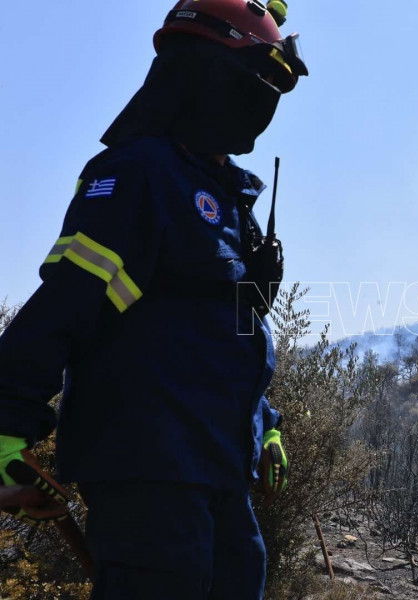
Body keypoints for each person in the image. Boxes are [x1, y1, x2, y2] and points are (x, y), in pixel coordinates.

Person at [0, 0, 307, 597]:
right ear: (206, 73)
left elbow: (219, 336)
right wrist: (8, 422)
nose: (263, 103)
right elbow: (68, 300)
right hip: (148, 467)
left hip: (221, 470)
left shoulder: (228, 196)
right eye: (257, 83)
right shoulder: (138, 173)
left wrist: (266, 426)